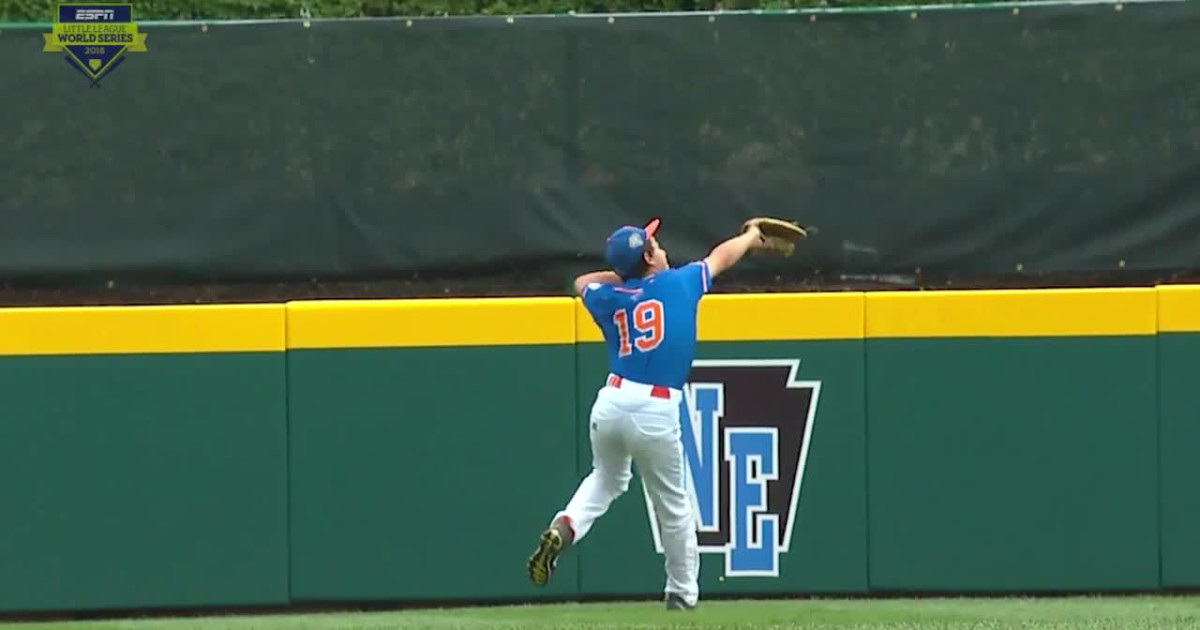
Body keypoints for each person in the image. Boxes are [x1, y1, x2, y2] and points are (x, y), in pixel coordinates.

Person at [526, 216, 767, 611]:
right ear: (652, 256)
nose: (663, 248)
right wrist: (750, 237)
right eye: (655, 245)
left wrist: (625, 272)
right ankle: (682, 594)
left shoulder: (609, 297)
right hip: (655, 408)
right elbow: (721, 258)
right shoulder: (681, 282)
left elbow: (581, 283)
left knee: (606, 477)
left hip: (612, 401)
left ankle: (566, 525)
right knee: (672, 505)